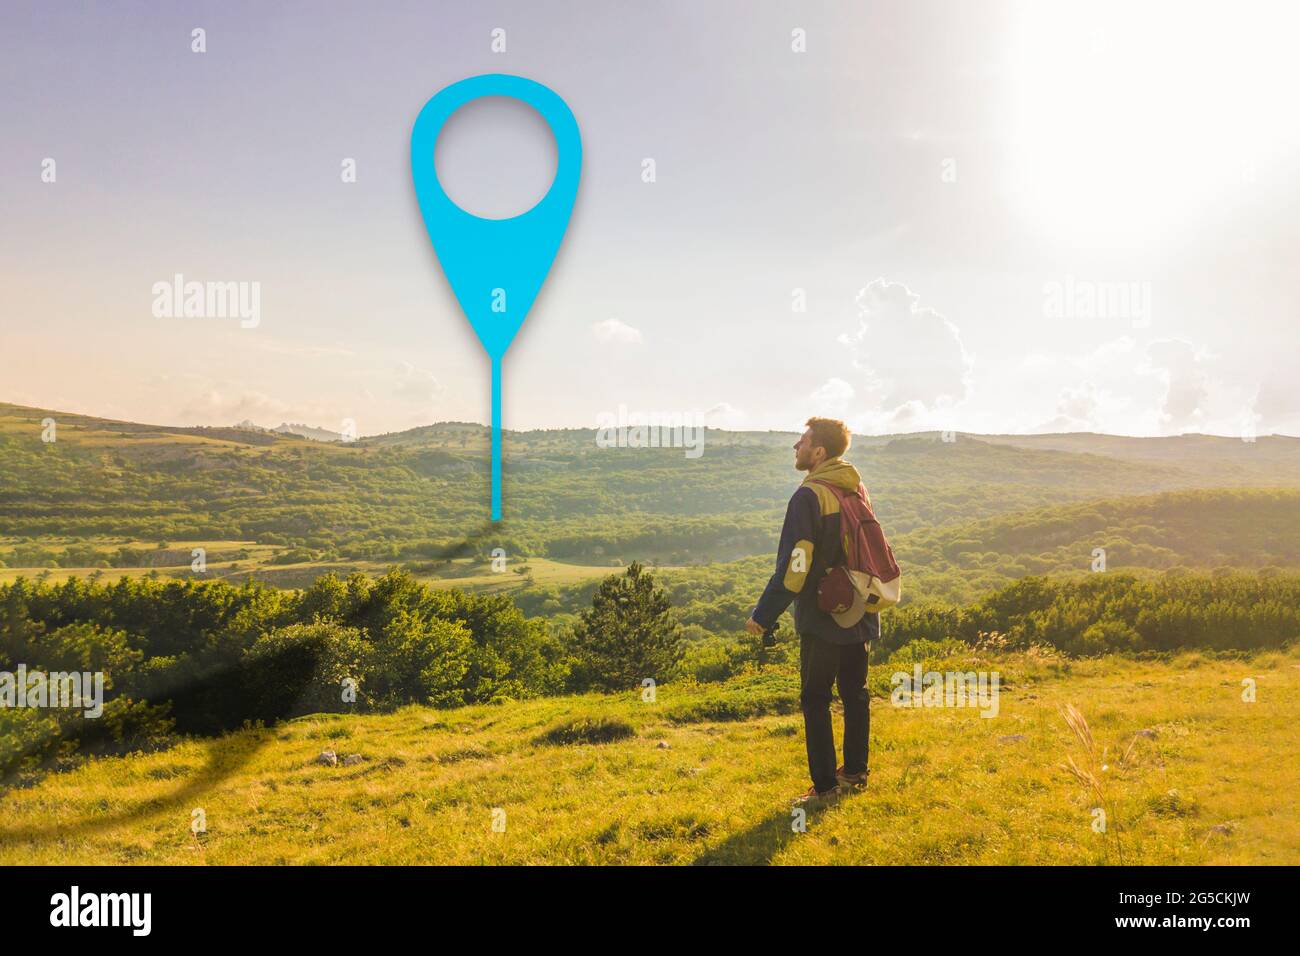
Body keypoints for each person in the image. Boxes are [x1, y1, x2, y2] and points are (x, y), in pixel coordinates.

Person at [746, 417, 878, 805]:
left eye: (801, 442)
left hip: (823, 615)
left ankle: (824, 789)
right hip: (861, 607)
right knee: (855, 693)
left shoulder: (808, 496)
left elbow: (796, 565)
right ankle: (855, 773)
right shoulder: (855, 488)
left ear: (818, 452)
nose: (796, 447)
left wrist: (764, 613)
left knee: (816, 698)